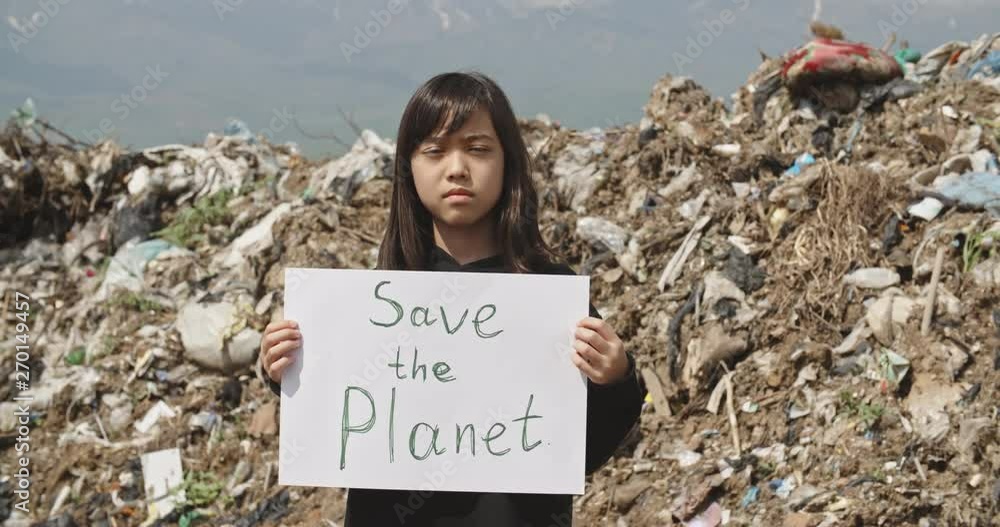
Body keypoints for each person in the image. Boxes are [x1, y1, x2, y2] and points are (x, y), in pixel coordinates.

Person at [257, 71, 644, 526]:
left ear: (508, 163)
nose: (456, 168)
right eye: (435, 151)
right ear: (409, 168)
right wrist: (283, 368)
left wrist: (615, 378)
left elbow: (583, 450)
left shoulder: (550, 297)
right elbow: (339, 432)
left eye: (478, 149)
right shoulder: (374, 306)